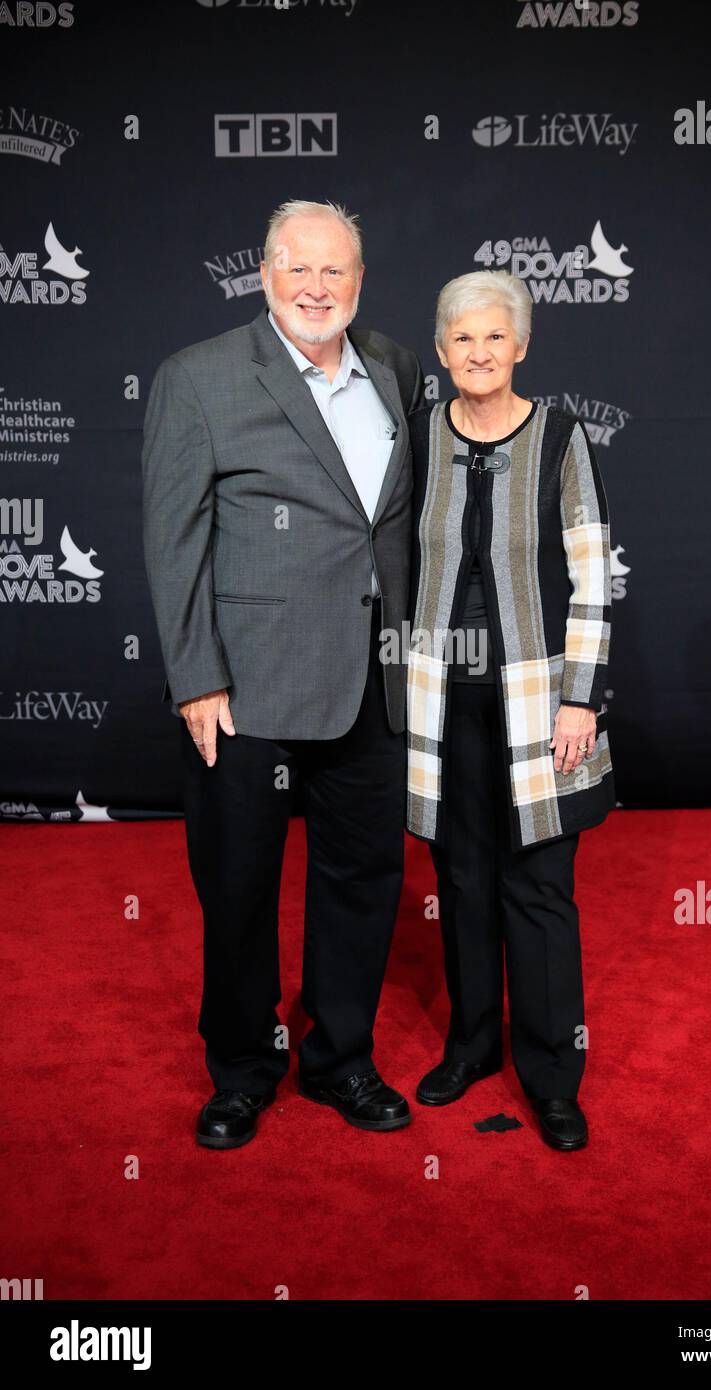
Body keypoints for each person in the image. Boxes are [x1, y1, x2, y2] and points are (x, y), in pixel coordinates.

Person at [141, 199, 424, 1148]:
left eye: (335, 271)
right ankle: (243, 1070)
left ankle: (342, 1061)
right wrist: (194, 678)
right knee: (239, 884)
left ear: (358, 282)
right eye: (297, 269)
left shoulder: (390, 366)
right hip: (247, 687)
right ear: (264, 273)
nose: (316, 288)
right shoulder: (201, 378)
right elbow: (173, 542)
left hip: (371, 680)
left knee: (363, 878)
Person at [405, 270, 616, 1151]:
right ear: (445, 350)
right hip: (442, 692)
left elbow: (594, 574)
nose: (479, 354)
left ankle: (552, 1075)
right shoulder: (419, 437)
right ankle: (471, 1045)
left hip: (539, 701)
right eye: (462, 340)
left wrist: (581, 699)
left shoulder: (561, 436)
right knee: (460, 878)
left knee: (539, 886)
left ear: (521, 345)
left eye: (496, 338)